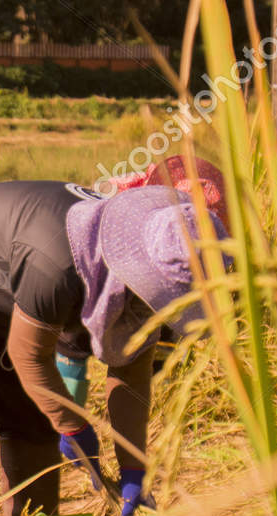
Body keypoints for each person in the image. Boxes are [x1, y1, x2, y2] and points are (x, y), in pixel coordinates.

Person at [0, 181, 225, 516]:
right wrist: (74, 426)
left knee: (34, 417)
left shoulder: (130, 280)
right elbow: (28, 355)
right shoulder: (61, 266)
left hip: (16, 289)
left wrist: (134, 467)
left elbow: (130, 373)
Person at [56, 155, 230, 409]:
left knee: (160, 333)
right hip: (98, 267)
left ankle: (161, 402)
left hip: (166, 276)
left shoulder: (206, 220)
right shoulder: (122, 199)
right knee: (77, 338)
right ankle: (69, 421)